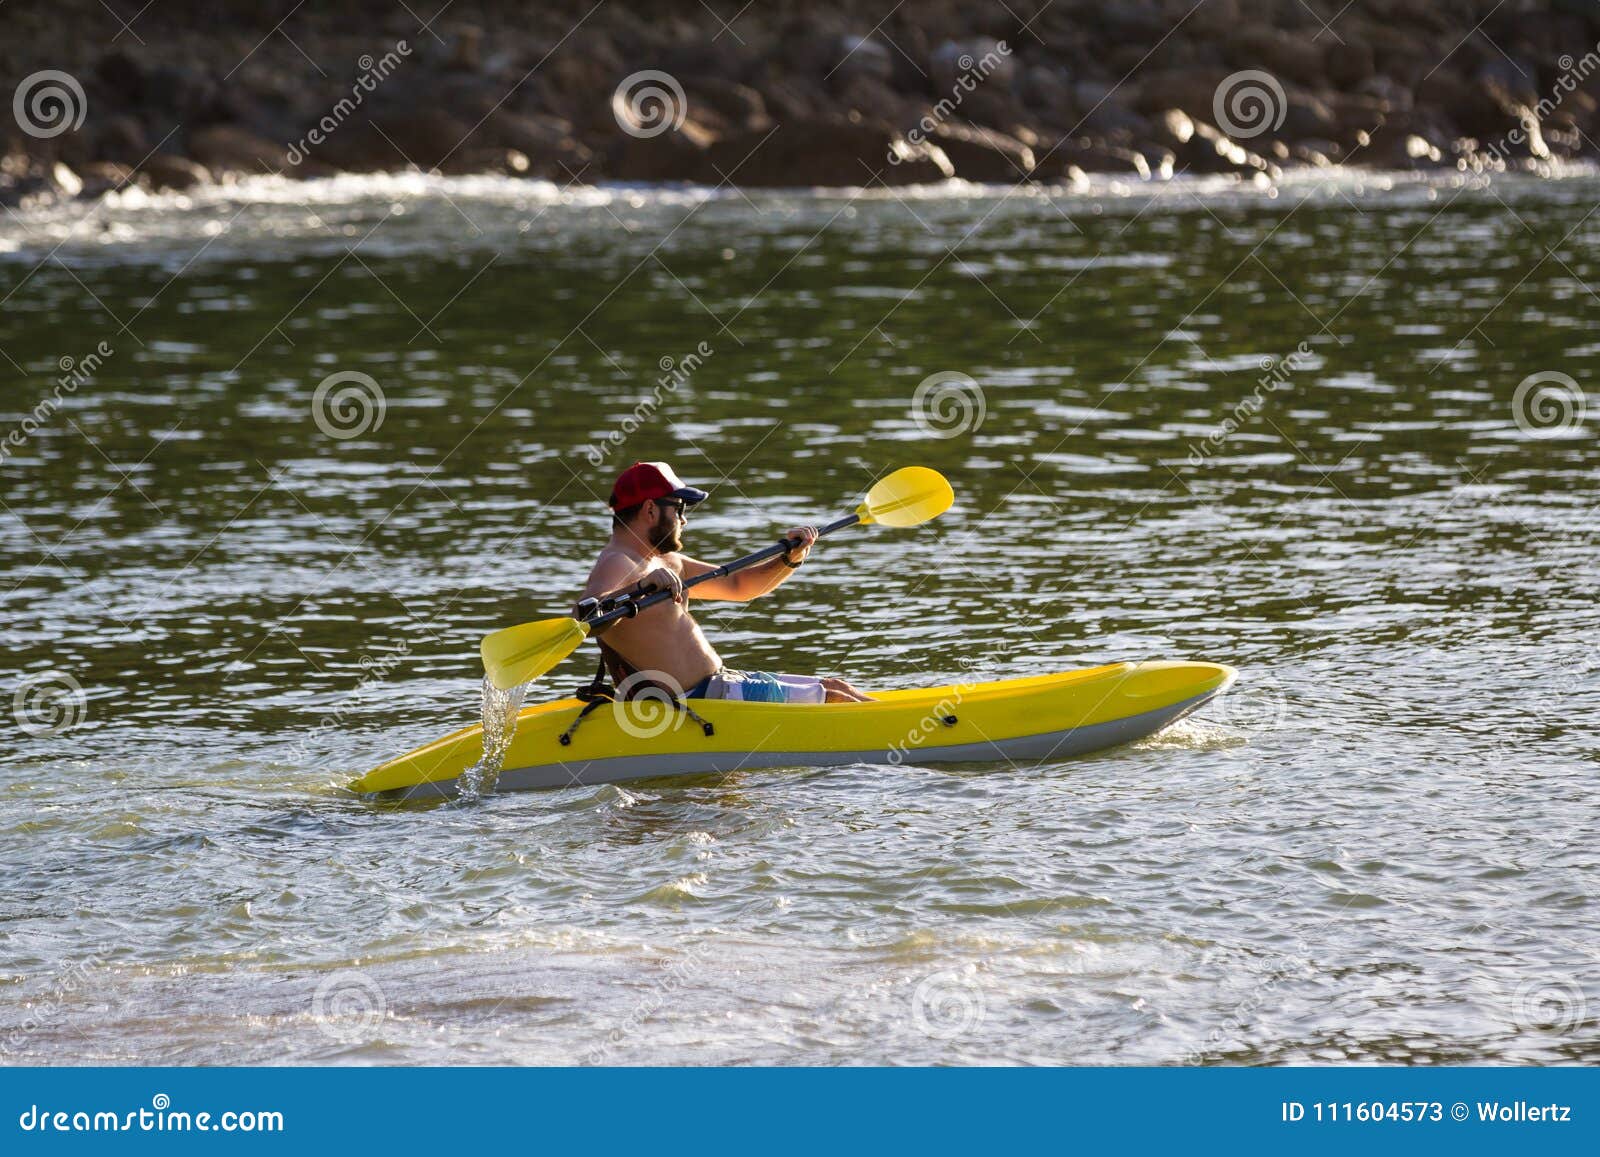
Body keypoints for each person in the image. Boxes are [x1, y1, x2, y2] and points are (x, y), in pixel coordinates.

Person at [579, 461, 872, 704]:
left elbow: (740, 586)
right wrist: (640, 588)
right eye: (679, 508)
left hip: (721, 685)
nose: (684, 520)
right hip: (695, 702)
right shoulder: (617, 561)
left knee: (837, 686)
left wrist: (791, 558)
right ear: (651, 510)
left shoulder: (668, 562)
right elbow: (585, 618)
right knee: (834, 698)